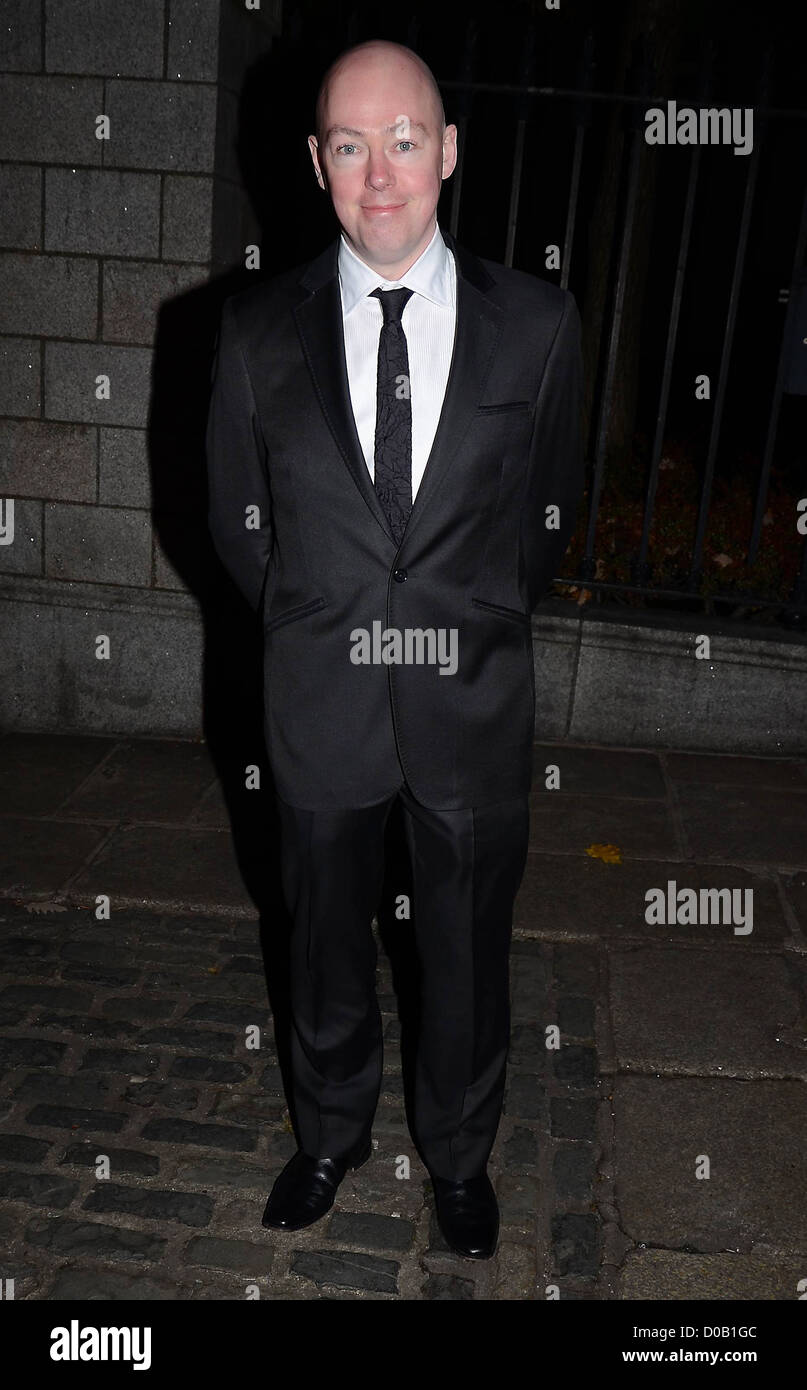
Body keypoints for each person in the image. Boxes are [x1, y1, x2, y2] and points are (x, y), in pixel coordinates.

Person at [205, 38, 584, 1260]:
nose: (381, 174)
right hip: (319, 701)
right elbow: (233, 525)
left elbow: (545, 523)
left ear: (449, 152)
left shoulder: (538, 326)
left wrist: (464, 627)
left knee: (466, 947)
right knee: (319, 934)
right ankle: (329, 1133)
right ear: (318, 163)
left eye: (405, 140)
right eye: (352, 144)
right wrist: (325, 629)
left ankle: (461, 1156)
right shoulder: (254, 333)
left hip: (470, 703)